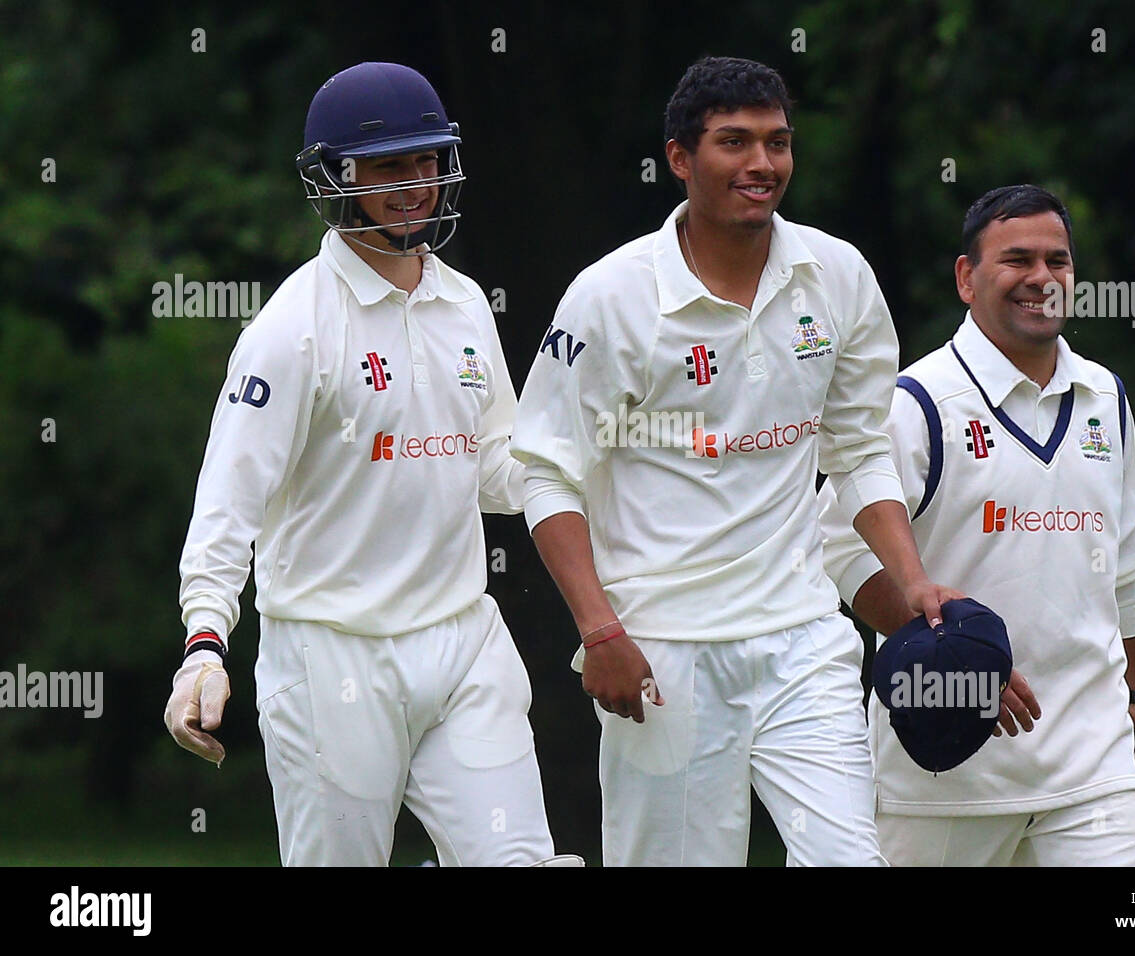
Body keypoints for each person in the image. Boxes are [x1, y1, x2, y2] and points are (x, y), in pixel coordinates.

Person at [511, 56, 959, 866]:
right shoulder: (611, 297)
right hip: (661, 648)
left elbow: (857, 450)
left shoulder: (838, 275)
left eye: (778, 143)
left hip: (801, 635)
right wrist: (600, 629)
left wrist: (912, 576)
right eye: (734, 142)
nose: (762, 164)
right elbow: (545, 472)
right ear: (680, 158)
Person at [165, 62, 572, 867]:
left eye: (428, 160)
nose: (417, 183)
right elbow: (228, 504)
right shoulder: (292, 329)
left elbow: (497, 469)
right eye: (391, 166)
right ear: (336, 177)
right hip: (331, 656)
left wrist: (599, 464)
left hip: (463, 643)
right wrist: (203, 643)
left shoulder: (462, 304)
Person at [818, 184, 1135, 866]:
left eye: (1058, 261)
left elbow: (1126, 559)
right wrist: (955, 662)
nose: (1042, 278)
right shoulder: (914, 403)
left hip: (1091, 765)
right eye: (1017, 259)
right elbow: (838, 545)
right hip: (944, 772)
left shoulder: (1106, 395)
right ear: (967, 277)